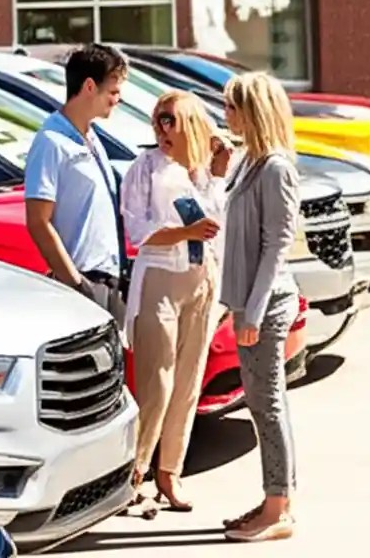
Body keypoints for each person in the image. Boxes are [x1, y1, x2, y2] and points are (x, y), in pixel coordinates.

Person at [119, 91, 232, 510]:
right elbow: (137, 233)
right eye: (158, 120)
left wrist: (219, 173)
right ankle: (135, 471)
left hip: (203, 279)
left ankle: (170, 473)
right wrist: (185, 232)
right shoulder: (145, 169)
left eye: (171, 120)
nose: (162, 129)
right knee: (157, 382)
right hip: (160, 278)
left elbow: (222, 223)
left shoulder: (205, 171)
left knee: (188, 380)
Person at [218, 71, 301, 542]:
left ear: (252, 111)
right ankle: (275, 498)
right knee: (263, 404)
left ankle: (278, 511)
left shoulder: (274, 167)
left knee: (266, 405)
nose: (225, 113)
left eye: (232, 106)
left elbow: (277, 244)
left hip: (266, 305)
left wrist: (252, 310)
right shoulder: (247, 162)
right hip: (248, 301)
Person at [24, 43, 128, 320]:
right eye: (113, 92)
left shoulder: (92, 137)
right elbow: (38, 221)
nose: (117, 100)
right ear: (90, 86)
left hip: (110, 280)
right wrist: (75, 283)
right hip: (84, 282)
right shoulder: (51, 143)